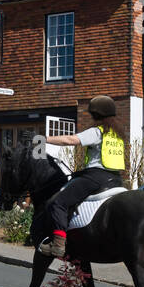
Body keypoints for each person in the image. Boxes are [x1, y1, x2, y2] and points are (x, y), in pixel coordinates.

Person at [38, 95, 127, 257]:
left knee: (58, 202)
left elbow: (70, 140)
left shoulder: (97, 132)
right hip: (115, 179)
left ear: (95, 114)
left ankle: (58, 244)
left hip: (96, 178)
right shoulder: (117, 134)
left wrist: (44, 139)